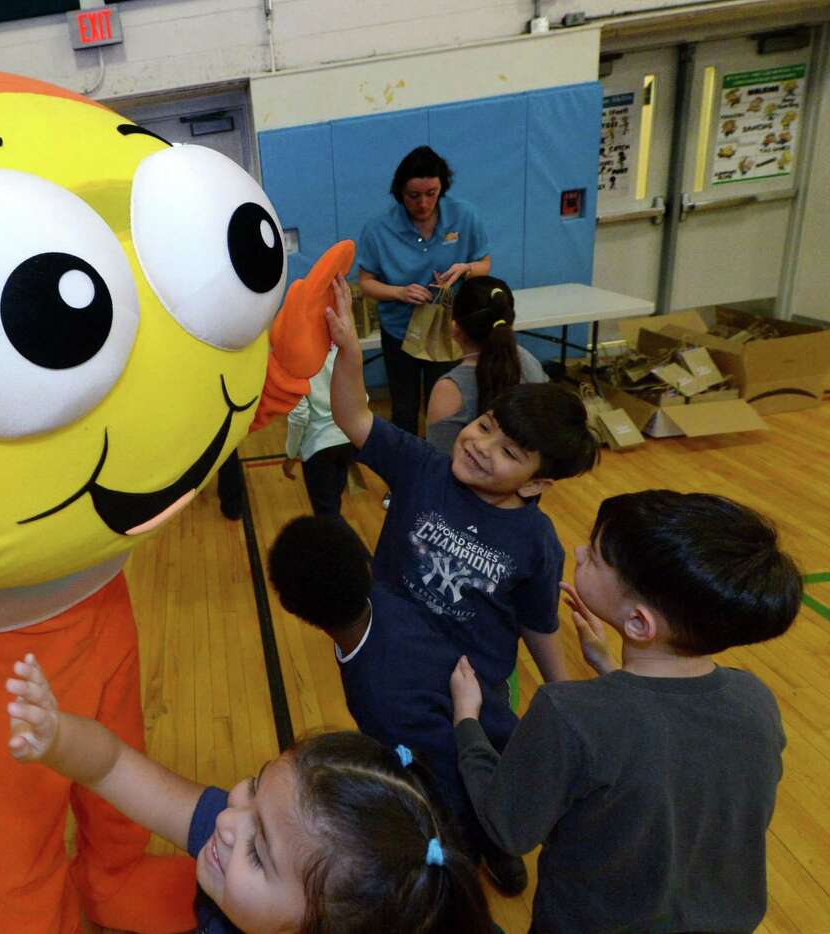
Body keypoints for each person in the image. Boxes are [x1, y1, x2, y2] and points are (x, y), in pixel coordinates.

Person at [324, 271, 600, 892]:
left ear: (535, 483)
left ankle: (491, 840)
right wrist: (346, 351)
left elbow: (536, 623)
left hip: (472, 694)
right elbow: (352, 415)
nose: (480, 446)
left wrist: (565, 697)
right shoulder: (424, 468)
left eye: (507, 452)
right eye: (487, 427)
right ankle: (434, 849)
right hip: (392, 669)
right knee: (406, 775)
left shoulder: (536, 542)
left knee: (476, 777)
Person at [449, 490, 802, 933]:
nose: (578, 551)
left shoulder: (569, 713)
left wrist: (468, 723)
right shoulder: (755, 697)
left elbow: (508, 829)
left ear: (639, 623)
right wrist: (609, 666)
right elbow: (664, 743)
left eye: (595, 556)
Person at [6, 655, 495, 934]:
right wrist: (57, 737)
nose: (227, 819)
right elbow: (114, 765)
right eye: (254, 787)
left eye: (258, 855)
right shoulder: (243, 829)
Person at [268, 515, 532, 882]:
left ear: (296, 610)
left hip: (484, 765)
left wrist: (459, 851)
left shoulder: (378, 698)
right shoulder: (384, 596)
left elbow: (445, 777)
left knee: (475, 817)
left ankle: (493, 845)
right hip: (495, 725)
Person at [356, 145, 493, 437]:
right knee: (404, 409)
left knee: (443, 406)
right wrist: (399, 293)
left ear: (442, 188)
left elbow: (484, 264)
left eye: (431, 193)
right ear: (399, 193)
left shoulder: (464, 216)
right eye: (413, 196)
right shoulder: (378, 229)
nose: (423, 203)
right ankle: (406, 474)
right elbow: (366, 282)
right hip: (400, 332)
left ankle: (440, 471)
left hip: (448, 330)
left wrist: (465, 269)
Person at [424, 276, 548, 455]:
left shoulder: (450, 389)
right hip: (522, 478)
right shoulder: (529, 361)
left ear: (454, 329)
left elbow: (439, 461)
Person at [283, 345, 357, 517]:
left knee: (327, 515)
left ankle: (347, 544)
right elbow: (360, 395)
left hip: (319, 447)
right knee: (334, 505)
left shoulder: (294, 362)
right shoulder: (340, 348)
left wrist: (291, 454)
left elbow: (299, 416)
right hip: (346, 439)